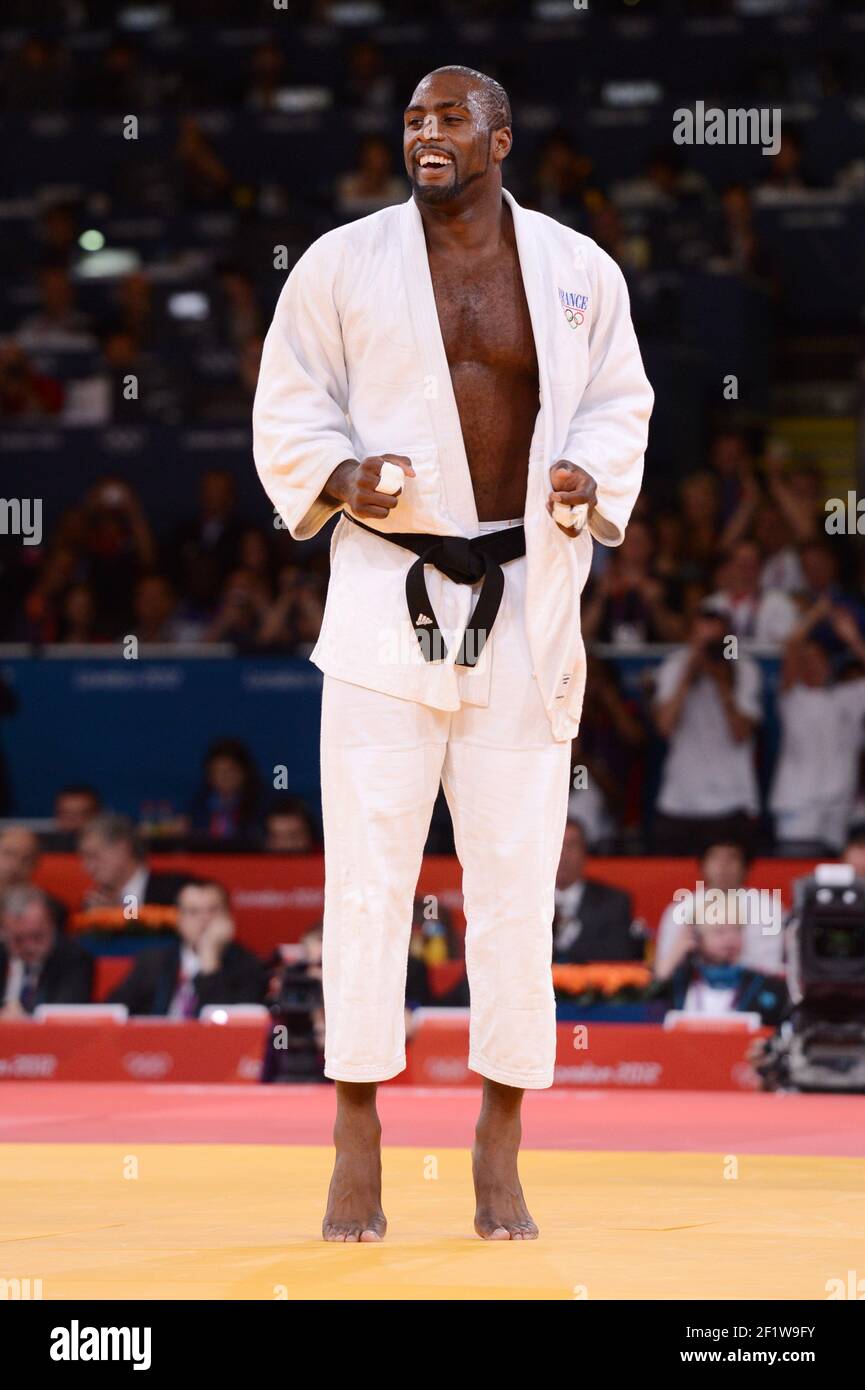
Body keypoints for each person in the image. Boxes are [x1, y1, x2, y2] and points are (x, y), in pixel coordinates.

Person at [253, 65, 652, 1242]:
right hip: (388, 589)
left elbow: (618, 405)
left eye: (450, 120)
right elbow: (288, 403)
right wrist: (334, 475)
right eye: (415, 119)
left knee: (516, 887)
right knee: (367, 882)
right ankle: (356, 1129)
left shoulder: (580, 273)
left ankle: (498, 1139)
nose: (426, 135)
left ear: (501, 140)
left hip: (522, 597)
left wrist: (588, 472)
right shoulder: (341, 263)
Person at [653, 600, 762, 854]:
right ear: (691, 637)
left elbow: (741, 734)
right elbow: (664, 728)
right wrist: (687, 677)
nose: (709, 650)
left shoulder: (744, 669)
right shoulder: (675, 666)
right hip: (679, 802)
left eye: (716, 642)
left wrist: (722, 682)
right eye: (703, 641)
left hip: (731, 803)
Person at [770, 601, 865, 852]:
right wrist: (815, 613)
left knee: (835, 881)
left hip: (839, 807)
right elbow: (791, 645)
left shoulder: (849, 696)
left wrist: (853, 638)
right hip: (799, 807)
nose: (812, 665)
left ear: (829, 664)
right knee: (796, 875)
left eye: (817, 659)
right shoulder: (792, 697)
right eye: (805, 661)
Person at [109, 879, 264, 1016]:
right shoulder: (153, 961)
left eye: (213, 910)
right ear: (179, 919)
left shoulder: (247, 965)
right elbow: (112, 1011)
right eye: (193, 912)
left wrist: (210, 960)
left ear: (228, 917)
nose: (204, 919)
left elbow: (231, 1029)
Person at [654, 839, 783, 980]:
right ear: (702, 865)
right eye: (715, 858)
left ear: (746, 867)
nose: (723, 866)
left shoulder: (769, 908)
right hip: (694, 988)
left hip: (753, 991)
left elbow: (771, 968)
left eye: (731, 858)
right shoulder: (680, 909)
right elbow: (663, 972)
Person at [658, 915, 789, 1027]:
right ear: (697, 939)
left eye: (737, 930)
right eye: (719, 932)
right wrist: (672, 958)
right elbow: (647, 1003)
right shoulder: (679, 983)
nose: (730, 939)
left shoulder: (764, 985)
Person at [553, 819, 640, 964]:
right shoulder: (528, 903)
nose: (564, 854)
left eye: (572, 845)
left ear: (585, 852)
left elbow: (619, 959)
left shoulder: (614, 903)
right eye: (558, 845)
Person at [0, 887, 92, 1016]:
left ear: (52, 926)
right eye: (18, 939)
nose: (29, 947)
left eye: (37, 937)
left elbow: (64, 1013)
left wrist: (23, 1021)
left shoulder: (73, 959)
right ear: (4, 933)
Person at [78, 813, 189, 912]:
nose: (88, 866)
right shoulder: (94, 904)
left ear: (122, 849)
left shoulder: (177, 890)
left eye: (94, 856)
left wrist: (119, 915)